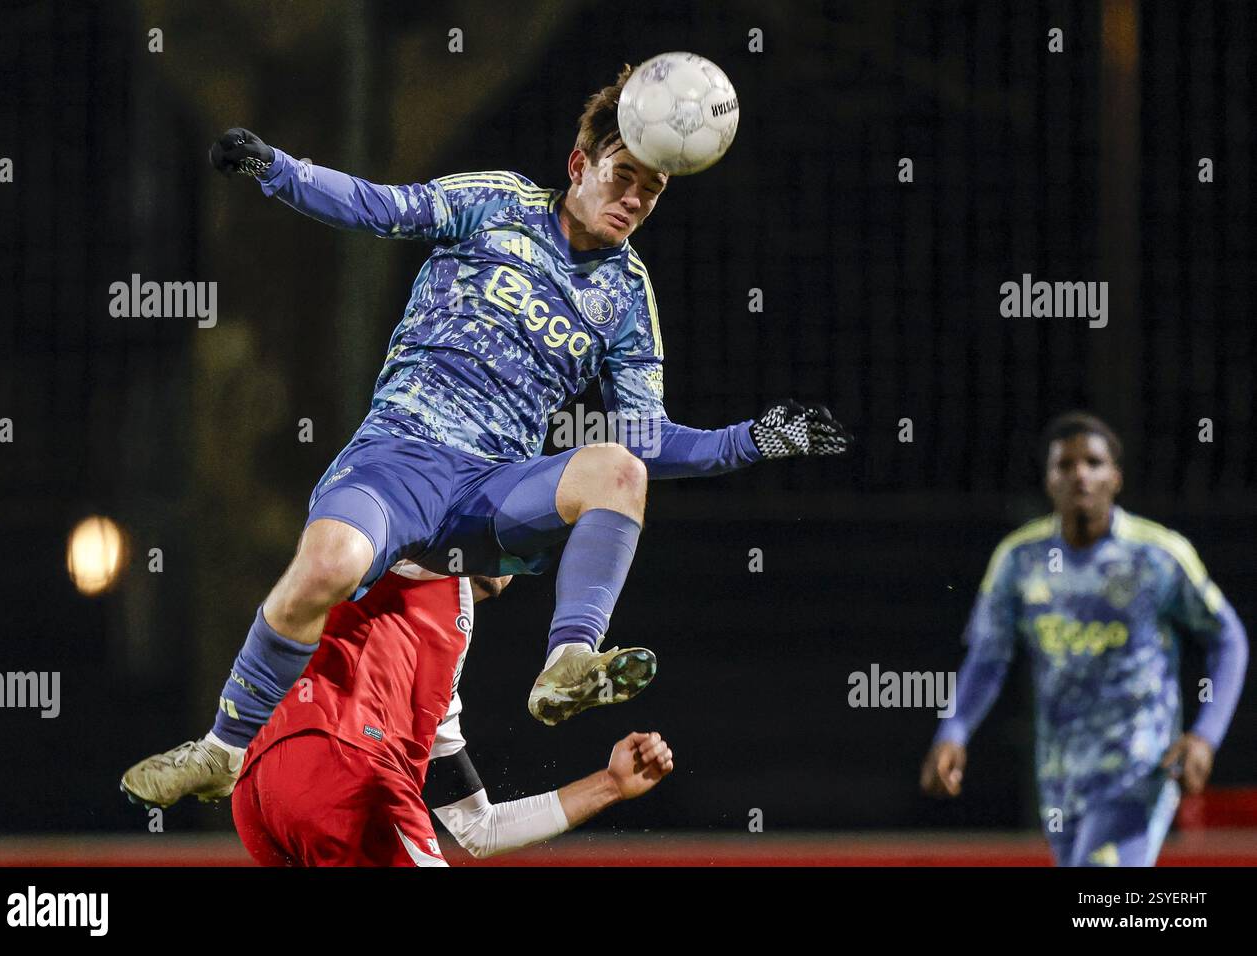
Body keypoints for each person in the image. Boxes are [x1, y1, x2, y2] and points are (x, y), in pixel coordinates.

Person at [122, 63, 850, 807]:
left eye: (653, 190)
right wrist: (278, 170)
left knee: (619, 469)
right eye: (623, 175)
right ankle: (221, 750)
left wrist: (756, 437)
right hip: (399, 457)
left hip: (489, 493)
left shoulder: (628, 299)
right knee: (328, 566)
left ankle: (569, 661)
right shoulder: (496, 203)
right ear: (580, 164)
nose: (634, 199)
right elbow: (383, 208)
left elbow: (648, 440)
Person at [920, 412, 1248, 866]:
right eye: (1065, 465)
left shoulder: (1157, 556)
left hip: (1138, 767)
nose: (1080, 474)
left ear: (1116, 477)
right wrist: (953, 731)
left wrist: (1205, 736)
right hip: (1060, 775)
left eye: (1093, 462)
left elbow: (1228, 639)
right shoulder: (1019, 560)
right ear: (1048, 479)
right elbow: (988, 657)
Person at [227, 565, 673, 866]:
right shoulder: (412, 555)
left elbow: (480, 829)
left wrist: (610, 784)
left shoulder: (437, 692)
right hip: (344, 771)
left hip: (261, 792)